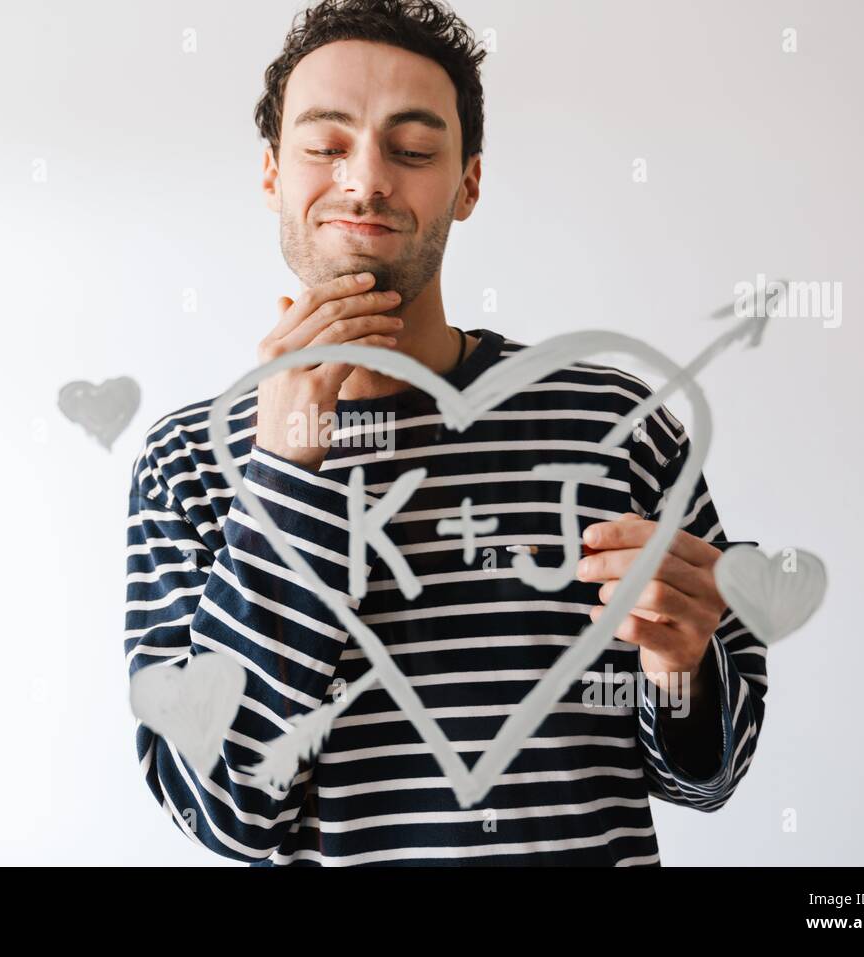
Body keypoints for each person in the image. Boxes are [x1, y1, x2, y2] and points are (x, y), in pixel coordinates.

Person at [125, 0, 767, 865]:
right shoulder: (187, 464)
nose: (364, 181)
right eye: (325, 145)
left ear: (466, 184)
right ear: (273, 174)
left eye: (413, 149)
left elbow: (707, 779)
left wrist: (681, 666)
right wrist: (284, 477)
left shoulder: (618, 422)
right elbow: (223, 813)